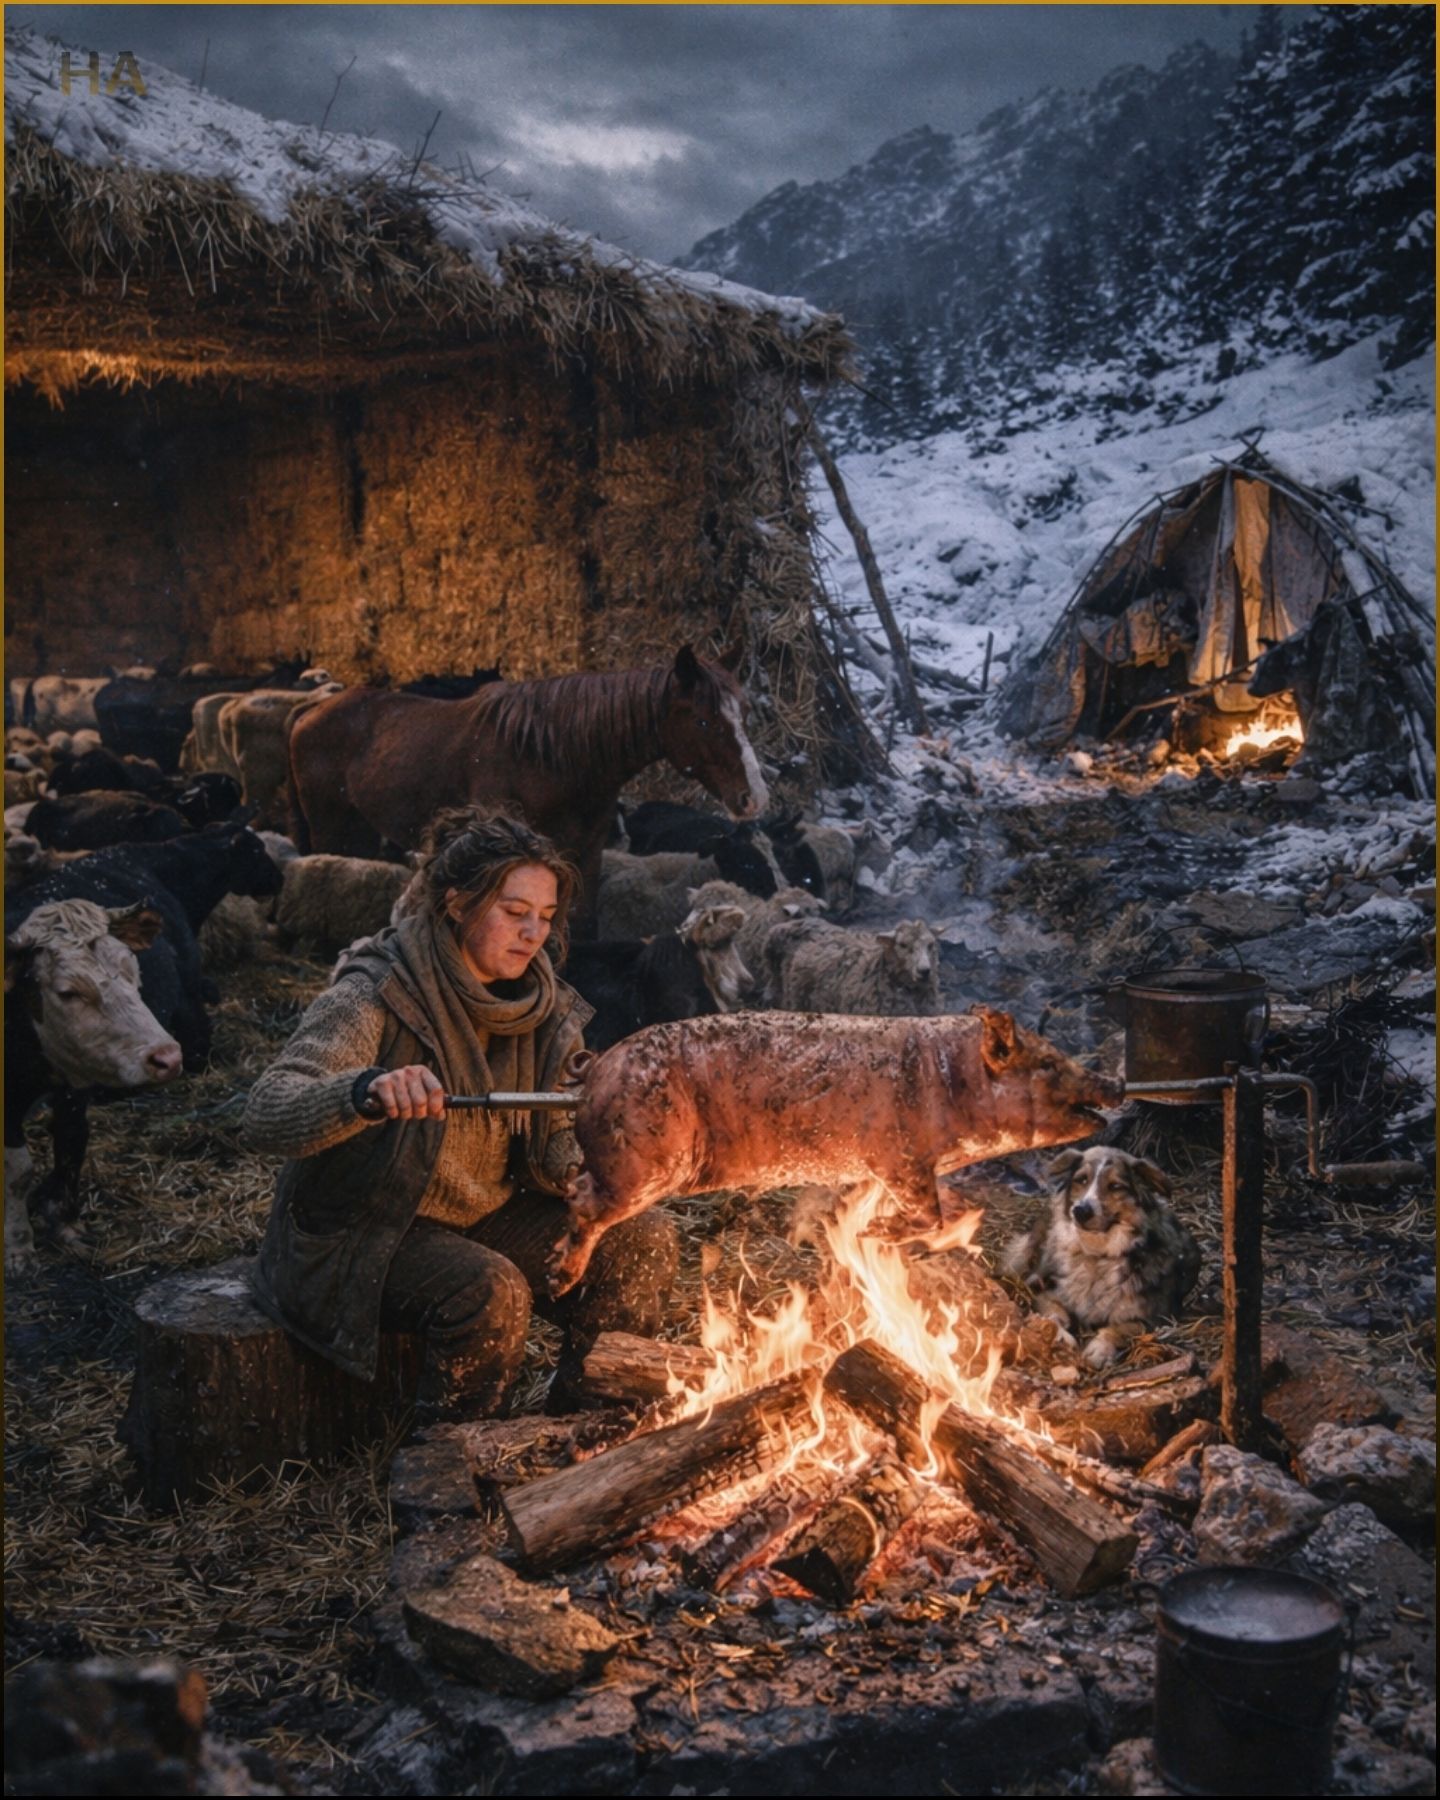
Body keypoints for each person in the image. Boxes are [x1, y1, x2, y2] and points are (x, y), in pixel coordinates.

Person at [242, 807, 678, 1420]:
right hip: (371, 1230)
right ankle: (452, 1458)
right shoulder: (378, 992)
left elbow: (554, 1150)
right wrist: (364, 1091)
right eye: (514, 911)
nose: (533, 934)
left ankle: (584, 1432)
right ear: (457, 903)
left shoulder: (546, 1010)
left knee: (642, 1238)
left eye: (546, 916)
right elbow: (266, 1112)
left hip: (483, 1215)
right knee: (490, 1290)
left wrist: (596, 1143)